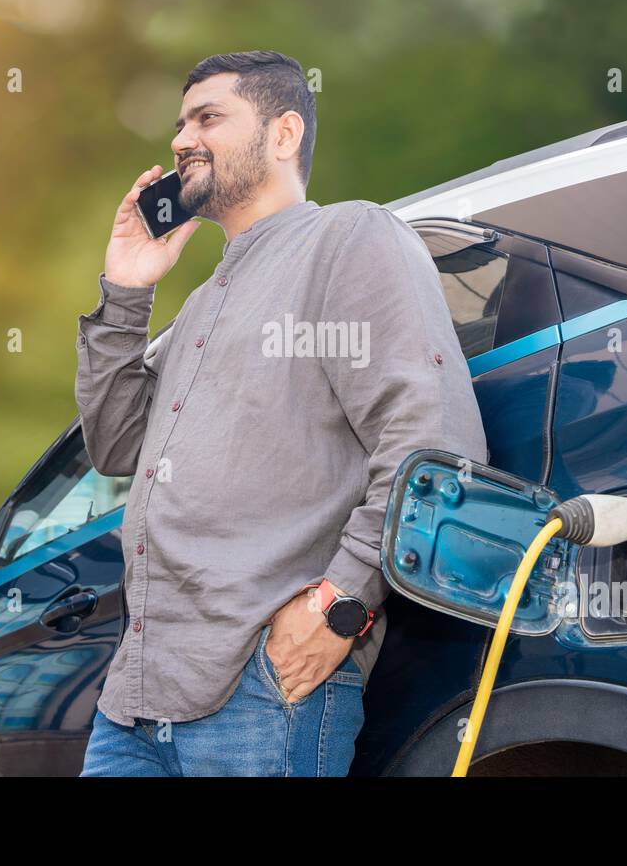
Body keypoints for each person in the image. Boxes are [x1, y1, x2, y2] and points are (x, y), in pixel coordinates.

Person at [75, 50, 487, 776]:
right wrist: (126, 289)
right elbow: (113, 447)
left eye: (209, 118)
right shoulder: (202, 301)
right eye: (179, 124)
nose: (180, 140)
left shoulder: (349, 238)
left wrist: (343, 608)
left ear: (284, 133)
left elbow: (433, 440)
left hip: (260, 696)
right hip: (133, 706)